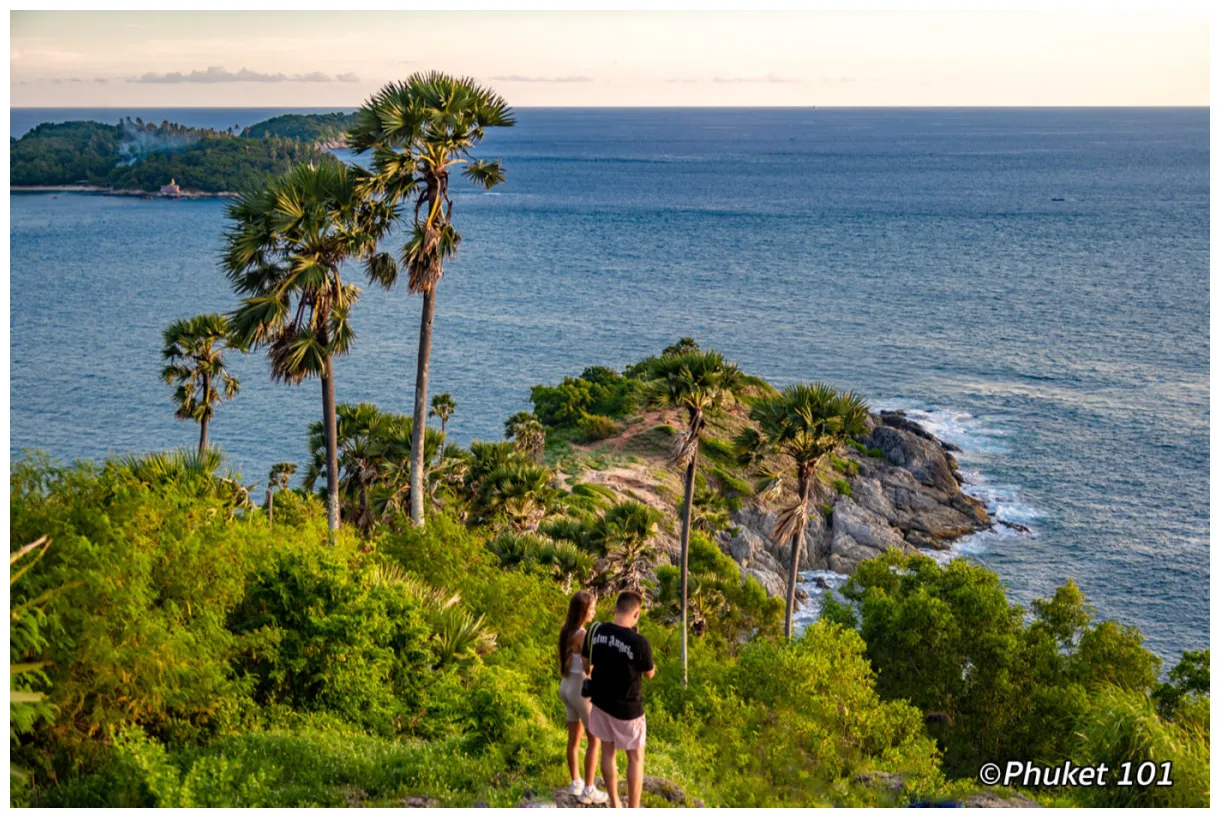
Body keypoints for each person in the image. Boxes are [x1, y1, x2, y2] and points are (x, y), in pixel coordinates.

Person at [583, 589, 655, 809]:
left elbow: (586, 663)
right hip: (628, 709)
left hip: (601, 702)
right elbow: (650, 673)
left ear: (615, 608)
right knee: (635, 758)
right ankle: (633, 808)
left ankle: (615, 803)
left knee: (608, 751)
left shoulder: (597, 631)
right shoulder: (639, 642)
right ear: (636, 614)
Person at [556, 591, 609, 805]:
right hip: (580, 689)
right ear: (583, 611)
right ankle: (589, 789)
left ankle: (575, 782)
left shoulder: (565, 629)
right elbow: (588, 666)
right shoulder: (582, 634)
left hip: (566, 686)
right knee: (594, 740)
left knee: (574, 739)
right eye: (592, 608)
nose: (594, 611)